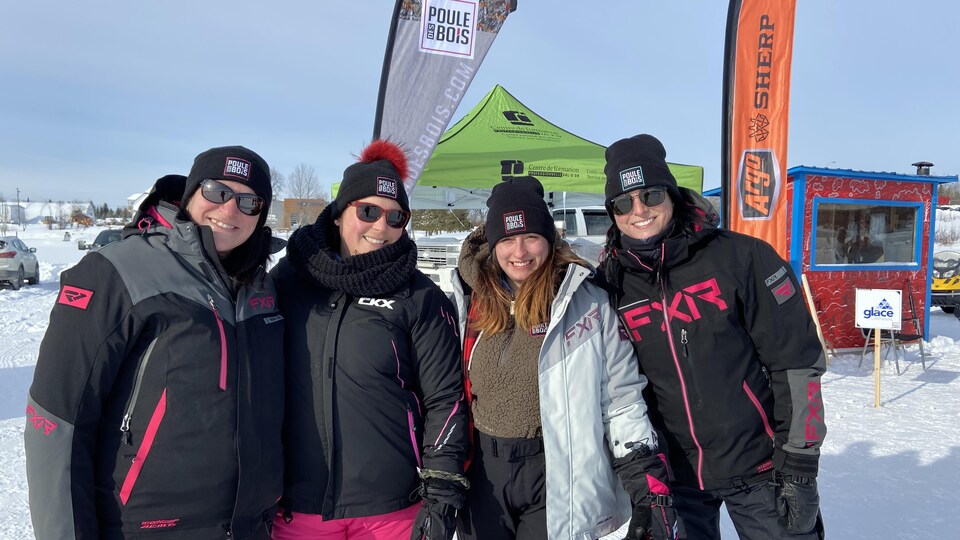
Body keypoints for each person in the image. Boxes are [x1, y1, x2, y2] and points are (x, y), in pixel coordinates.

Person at [26, 146, 285, 539]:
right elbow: (58, 421)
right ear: (191, 194)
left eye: (249, 202)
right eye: (217, 192)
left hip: (250, 526)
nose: (230, 210)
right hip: (146, 527)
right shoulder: (116, 272)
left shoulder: (261, 286)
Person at [598, 134, 827, 539]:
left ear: (671, 194)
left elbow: (797, 362)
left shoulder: (743, 257)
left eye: (650, 195)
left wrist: (801, 463)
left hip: (758, 466)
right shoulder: (610, 285)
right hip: (675, 478)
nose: (639, 211)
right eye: (623, 202)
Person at [450, 176, 677, 540]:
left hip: (556, 469)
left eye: (531, 237)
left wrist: (647, 484)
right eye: (507, 239)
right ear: (493, 245)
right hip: (484, 473)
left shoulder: (585, 303)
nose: (519, 252)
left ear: (549, 240)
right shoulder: (468, 301)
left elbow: (621, 398)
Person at [270, 140, 469, 540]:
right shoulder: (287, 282)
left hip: (392, 506)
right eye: (368, 211)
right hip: (299, 506)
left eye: (396, 217)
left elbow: (445, 399)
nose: (382, 227)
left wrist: (442, 491)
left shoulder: (421, 298)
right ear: (340, 214)